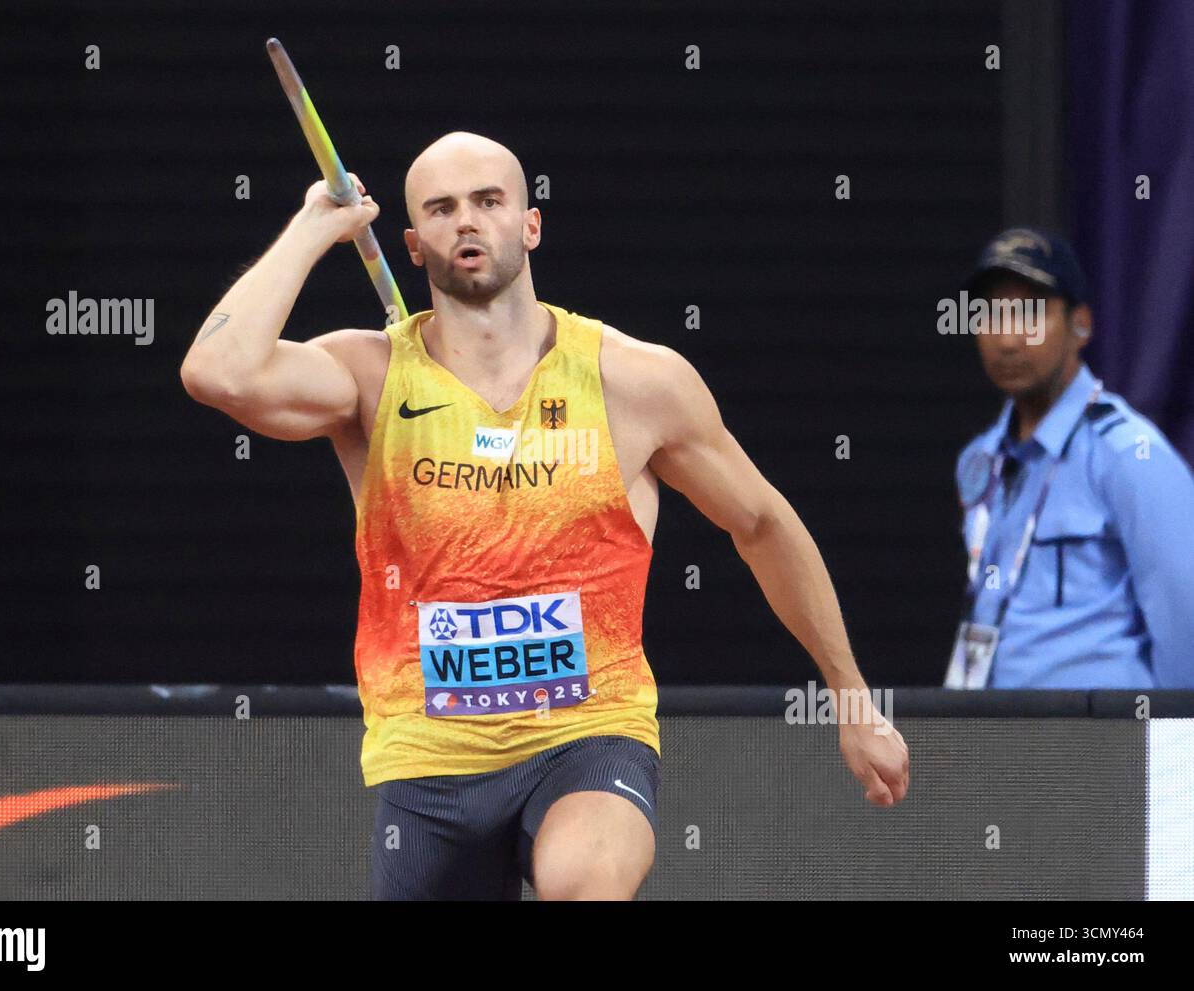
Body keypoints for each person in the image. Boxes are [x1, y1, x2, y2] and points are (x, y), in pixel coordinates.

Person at [180, 131, 908, 900]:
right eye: (442, 208)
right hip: (427, 762)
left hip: (588, 736)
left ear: (530, 224)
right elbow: (214, 372)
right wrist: (312, 228)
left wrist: (850, 695)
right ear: (412, 244)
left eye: (489, 201)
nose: (467, 221)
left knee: (583, 882)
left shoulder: (634, 380)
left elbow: (761, 524)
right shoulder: (367, 377)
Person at [947, 227, 1194, 690]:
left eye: (1030, 315)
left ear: (1081, 324)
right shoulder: (979, 462)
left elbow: (1187, 627)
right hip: (991, 736)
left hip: (1098, 745)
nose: (1007, 340)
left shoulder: (1129, 454)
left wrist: (1173, 756)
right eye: (990, 315)